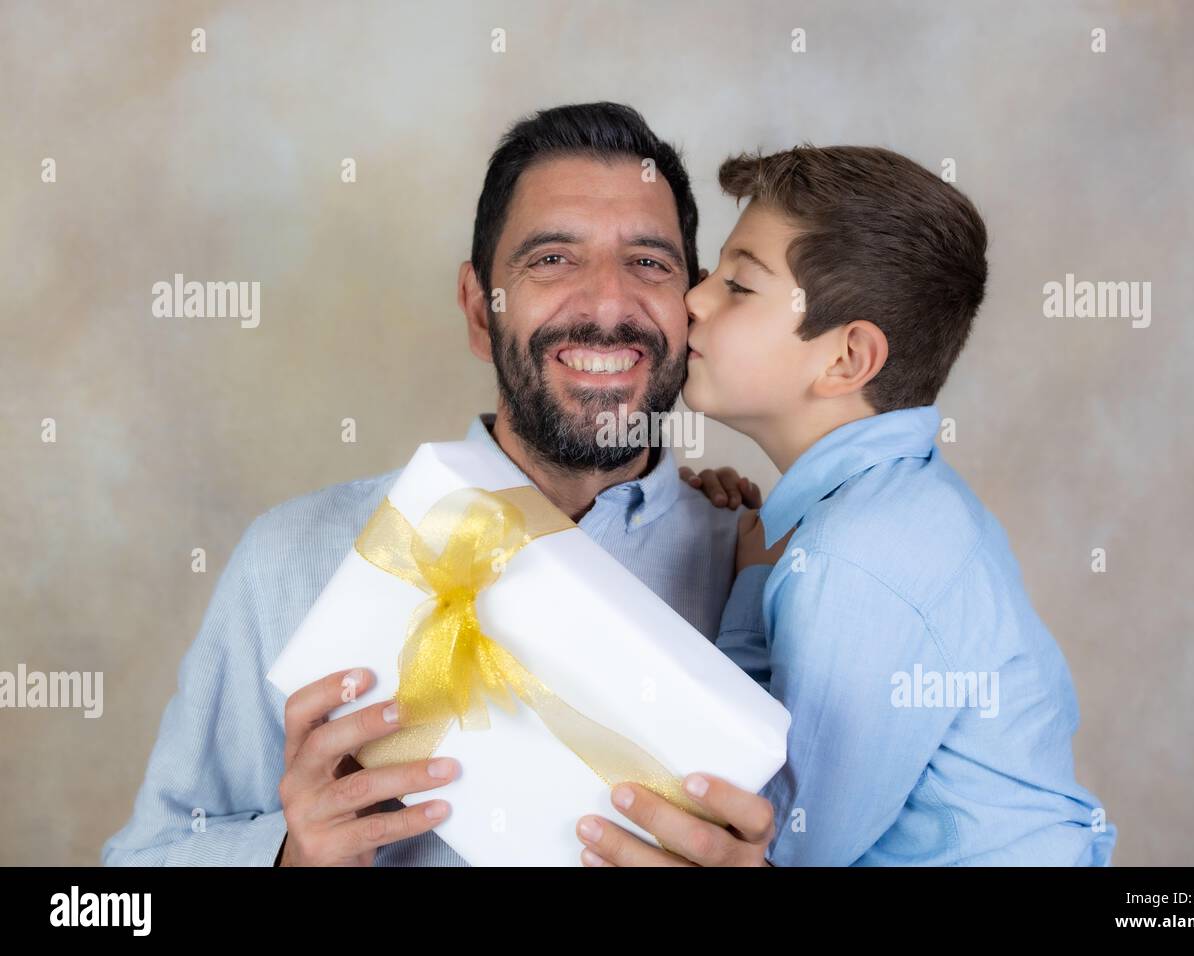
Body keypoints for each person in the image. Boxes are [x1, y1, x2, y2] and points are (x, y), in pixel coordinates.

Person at [102, 102, 778, 868]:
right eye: (552, 259)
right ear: (477, 310)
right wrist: (288, 859)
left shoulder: (769, 576)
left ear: (692, 310)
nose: (607, 305)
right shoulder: (290, 559)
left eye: (649, 263)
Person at [683, 144, 1118, 865]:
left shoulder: (860, 555)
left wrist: (747, 594)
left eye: (739, 285)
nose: (696, 296)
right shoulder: (901, 501)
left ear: (847, 359)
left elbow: (784, 843)